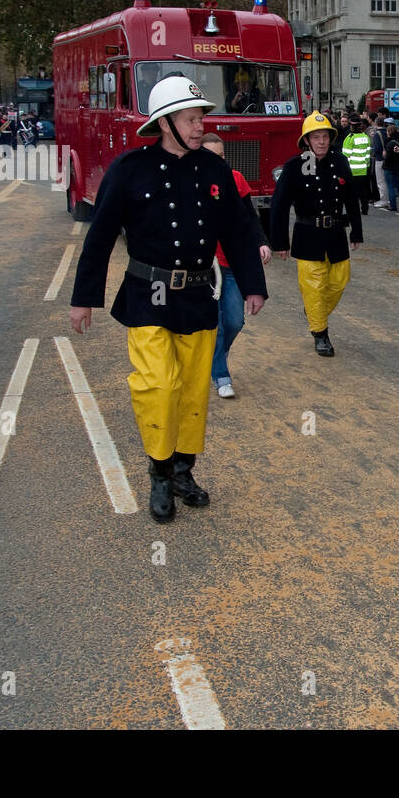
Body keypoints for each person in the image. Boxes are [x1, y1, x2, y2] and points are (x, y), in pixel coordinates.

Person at [69, 75, 268, 522]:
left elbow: (237, 229)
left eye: (201, 118)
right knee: (158, 386)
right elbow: (99, 237)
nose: (201, 126)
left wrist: (253, 284)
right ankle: (158, 472)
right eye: (192, 118)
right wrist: (84, 298)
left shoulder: (215, 170)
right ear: (166, 123)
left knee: (194, 391)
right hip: (146, 295)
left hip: (199, 296)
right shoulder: (129, 169)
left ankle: (183, 469)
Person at [270, 111, 364, 356]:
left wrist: (357, 231)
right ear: (307, 141)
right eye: (316, 137)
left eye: (325, 136)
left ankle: (314, 311)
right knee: (313, 286)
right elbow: (279, 206)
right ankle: (320, 333)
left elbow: (352, 199)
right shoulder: (294, 166)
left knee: (339, 281)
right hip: (307, 235)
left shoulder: (341, 162)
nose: (321, 141)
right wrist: (279, 242)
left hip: (335, 235)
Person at [200, 133, 272, 398]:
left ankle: (216, 354)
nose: (218, 162)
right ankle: (221, 375)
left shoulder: (236, 179)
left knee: (234, 321)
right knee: (215, 324)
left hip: (231, 266)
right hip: (205, 267)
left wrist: (262, 242)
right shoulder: (191, 182)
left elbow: (249, 219)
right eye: (211, 157)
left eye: (221, 157)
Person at [381, 120, 399, 212]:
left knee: (390, 186)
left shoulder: (389, 143)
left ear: (389, 132)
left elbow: (387, 157)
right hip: (398, 166)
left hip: (389, 167)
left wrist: (384, 155)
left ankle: (393, 205)